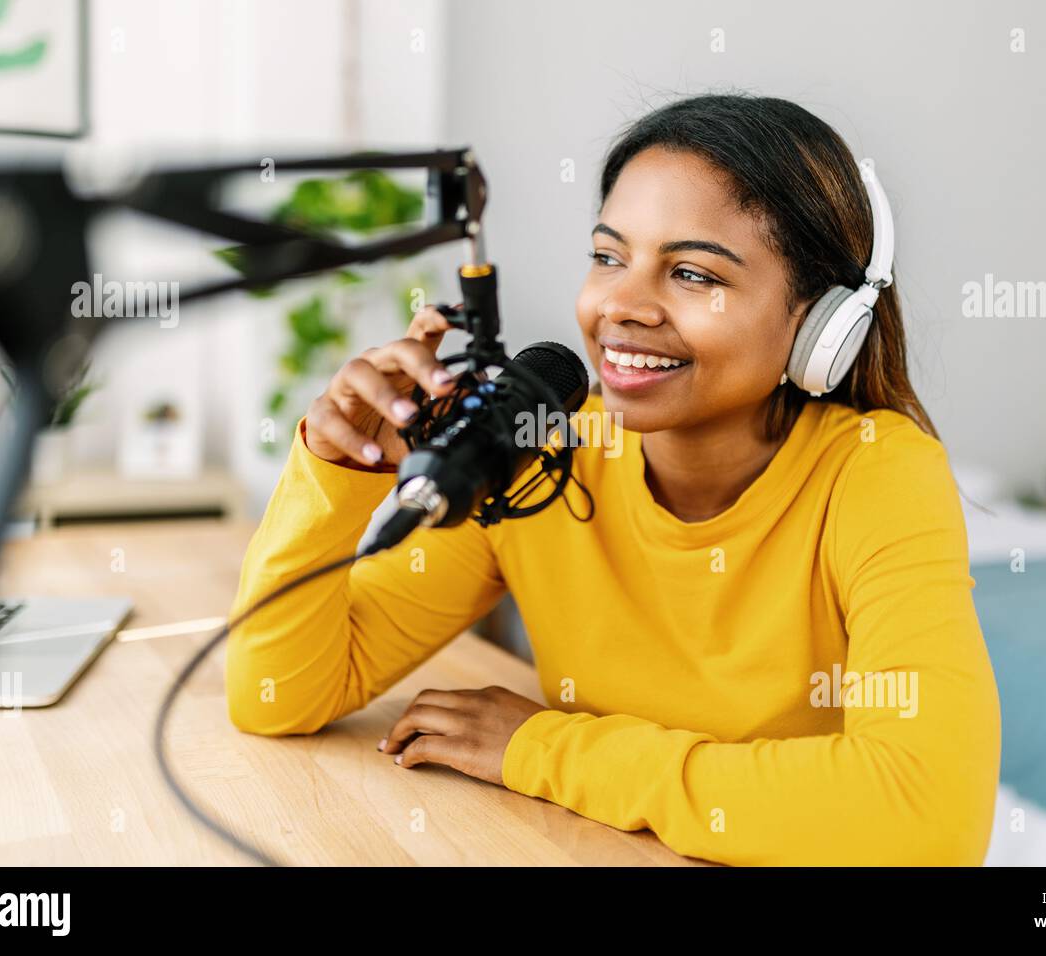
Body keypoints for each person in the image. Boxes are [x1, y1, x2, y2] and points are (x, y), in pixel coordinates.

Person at [226, 93, 1001, 866]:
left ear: (820, 323)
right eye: (607, 256)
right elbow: (280, 695)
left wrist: (548, 748)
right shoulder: (541, 455)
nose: (621, 306)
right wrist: (337, 469)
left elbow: (924, 820)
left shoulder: (878, 471)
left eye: (693, 273)